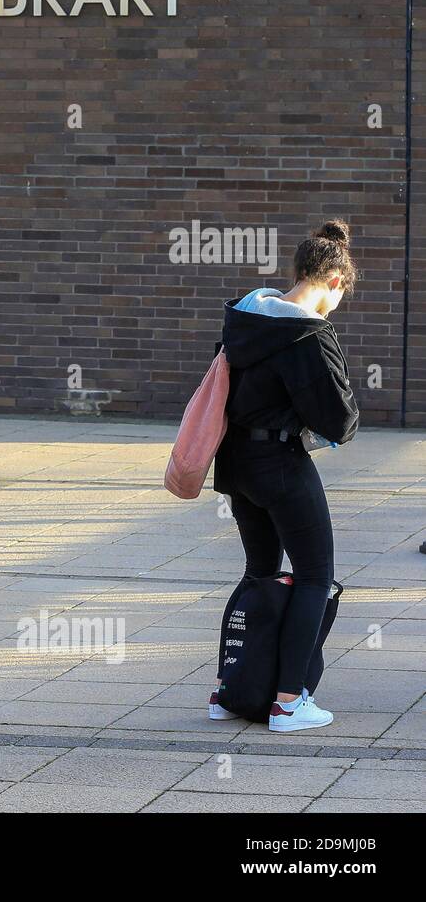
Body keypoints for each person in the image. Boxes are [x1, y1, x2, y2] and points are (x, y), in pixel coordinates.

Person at [210, 220, 360, 732]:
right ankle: (288, 702)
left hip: (235, 463)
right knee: (315, 576)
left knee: (259, 571)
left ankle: (230, 690)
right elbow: (340, 420)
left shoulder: (245, 315)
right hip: (281, 463)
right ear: (336, 281)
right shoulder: (309, 333)